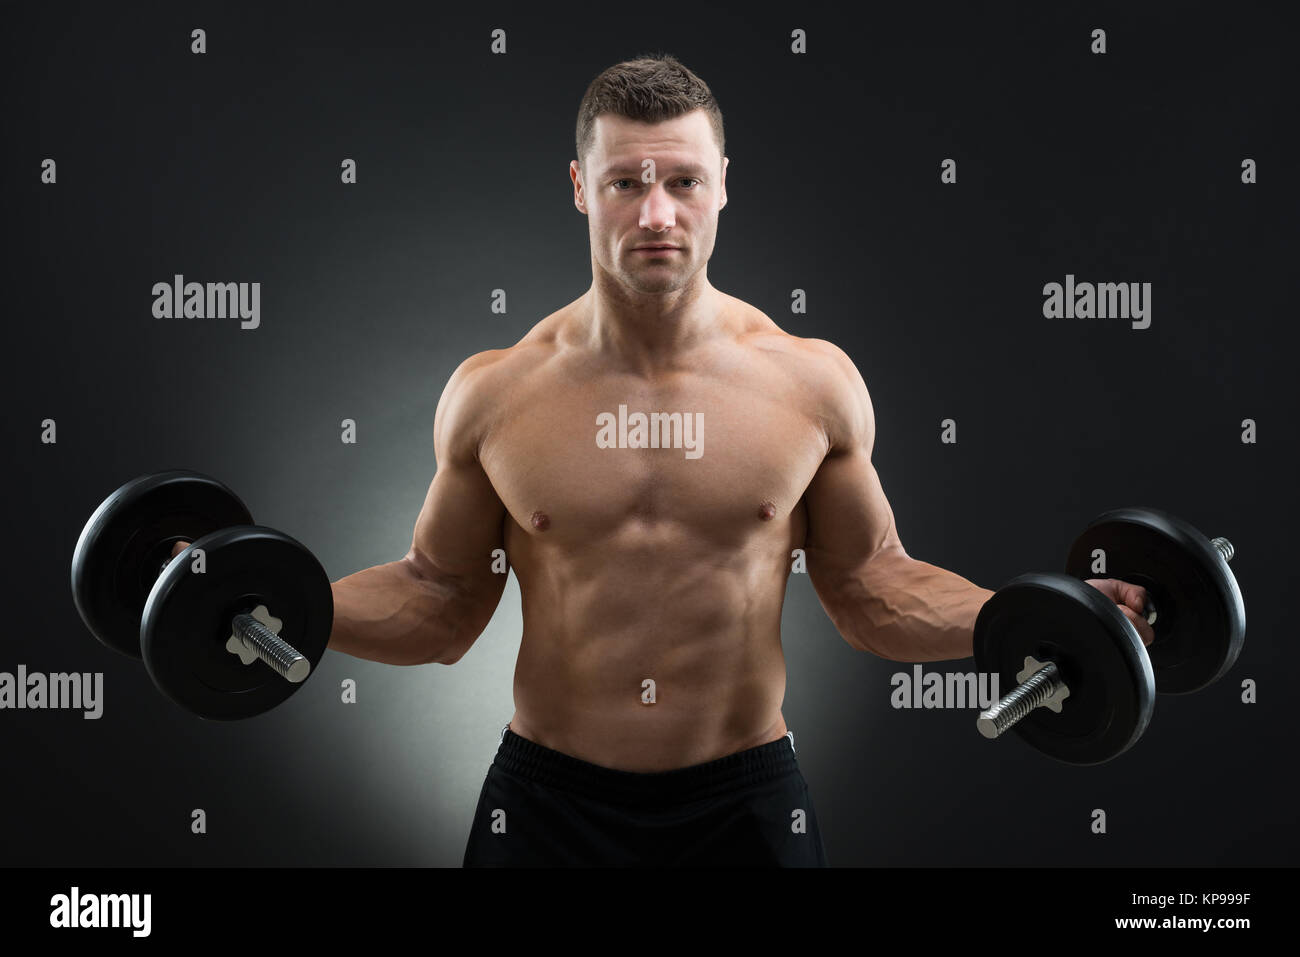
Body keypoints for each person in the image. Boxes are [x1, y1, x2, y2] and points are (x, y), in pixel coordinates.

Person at [321, 54, 1155, 866]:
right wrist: (275, 593)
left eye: (682, 182)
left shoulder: (810, 382)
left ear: (722, 182)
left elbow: (871, 585)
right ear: (581, 188)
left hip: (744, 807)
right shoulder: (495, 392)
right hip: (546, 807)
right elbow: (440, 599)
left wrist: (1032, 619)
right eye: (625, 182)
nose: (656, 215)